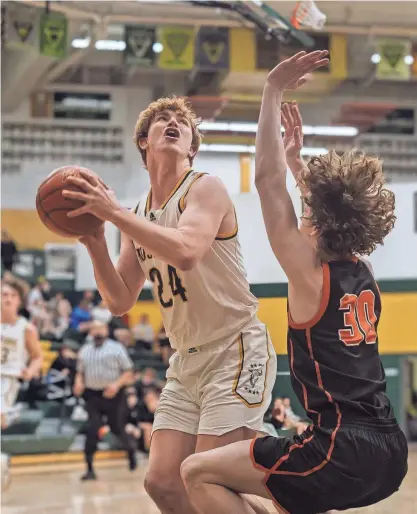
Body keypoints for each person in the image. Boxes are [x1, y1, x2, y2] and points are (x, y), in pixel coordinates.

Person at [179, 50, 408, 514]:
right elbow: (330, 209)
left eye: (308, 210)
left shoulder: (310, 275)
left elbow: (267, 183)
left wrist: (272, 91)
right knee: (288, 500)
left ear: (318, 224)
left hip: (339, 450)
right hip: (389, 448)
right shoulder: (362, 271)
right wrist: (299, 164)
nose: (302, 213)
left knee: (195, 471)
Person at [62, 95, 277, 513]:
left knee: (208, 475)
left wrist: (114, 214)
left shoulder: (204, 187)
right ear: (144, 142)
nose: (173, 122)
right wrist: (94, 243)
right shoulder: (140, 211)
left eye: (182, 121)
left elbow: (187, 251)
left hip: (235, 348)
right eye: (162, 119)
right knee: (162, 481)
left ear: (192, 145)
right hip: (187, 360)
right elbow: (120, 299)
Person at [74, 321, 137, 480]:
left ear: (107, 331)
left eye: (100, 329)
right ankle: (89, 469)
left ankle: (131, 450)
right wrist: (78, 382)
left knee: (117, 428)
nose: (97, 332)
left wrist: (116, 385)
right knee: (92, 429)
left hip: (114, 395)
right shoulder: (84, 350)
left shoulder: (116, 349)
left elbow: (129, 372)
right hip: (92, 395)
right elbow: (79, 372)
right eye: (94, 329)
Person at [1, 281, 43, 490]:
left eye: (11, 295)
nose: (7, 298)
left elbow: (37, 357)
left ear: (18, 301)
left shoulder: (25, 328)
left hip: (8, 380)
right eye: (3, 294)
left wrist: (31, 371)